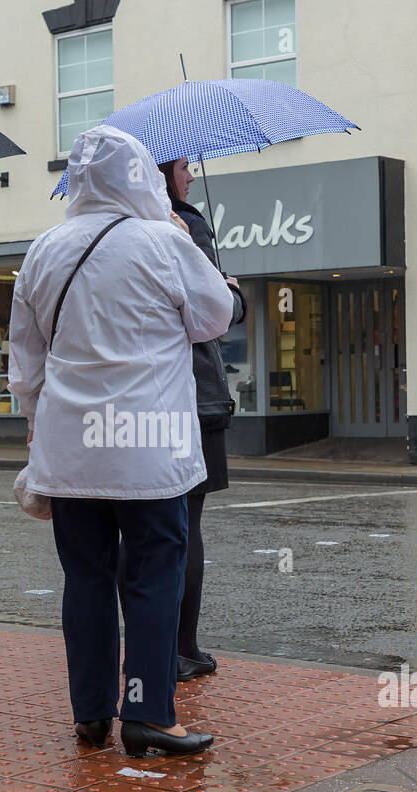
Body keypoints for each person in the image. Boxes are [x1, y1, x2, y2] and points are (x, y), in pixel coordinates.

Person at [9, 126, 235, 758]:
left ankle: (89, 713)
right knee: (153, 574)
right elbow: (214, 317)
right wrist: (187, 244)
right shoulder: (164, 240)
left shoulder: (43, 250)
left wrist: (38, 427)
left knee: (85, 578)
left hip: (70, 448)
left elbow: (25, 368)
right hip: (148, 448)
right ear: (140, 173)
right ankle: (147, 710)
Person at [156, 157, 246, 681]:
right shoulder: (184, 223)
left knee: (143, 526)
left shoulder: (111, 229)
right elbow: (213, 315)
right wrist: (232, 292)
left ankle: (148, 643)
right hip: (196, 396)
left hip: (135, 405)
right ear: (164, 173)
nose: (191, 176)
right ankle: (184, 647)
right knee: (187, 525)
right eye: (185, 167)